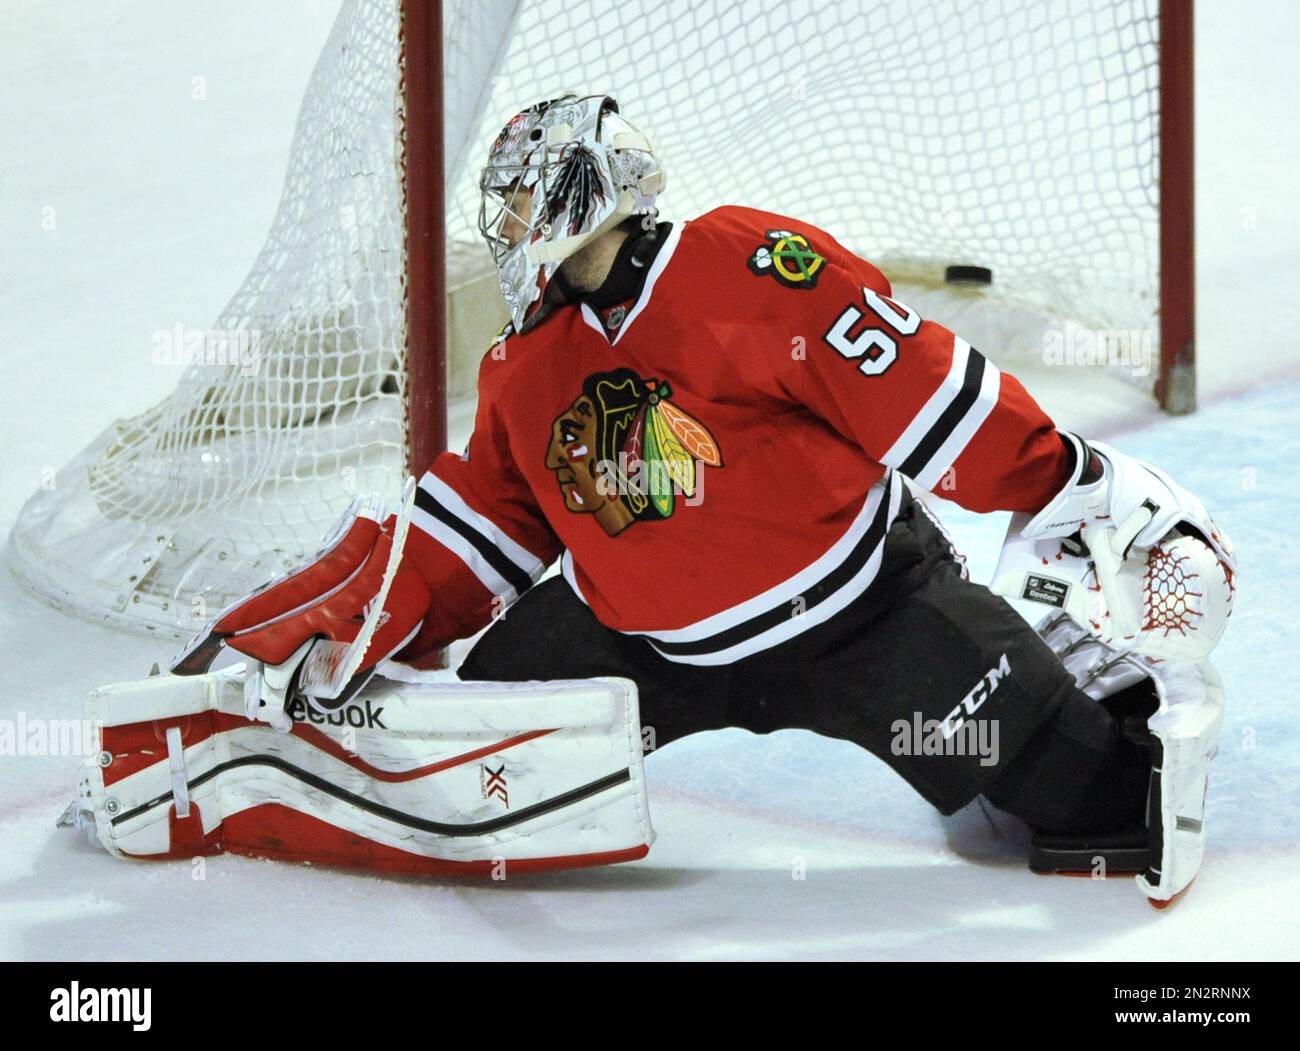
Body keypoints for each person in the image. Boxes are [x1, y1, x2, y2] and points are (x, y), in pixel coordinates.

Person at [174, 94, 1235, 904]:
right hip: (639, 652)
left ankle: (1078, 670)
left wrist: (1063, 482)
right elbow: (482, 524)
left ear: (582, 189)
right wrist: (350, 610)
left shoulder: (751, 266)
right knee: (477, 744)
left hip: (862, 626)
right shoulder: (527, 364)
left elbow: (925, 402)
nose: (504, 223)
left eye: (519, 198)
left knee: (1089, 802)